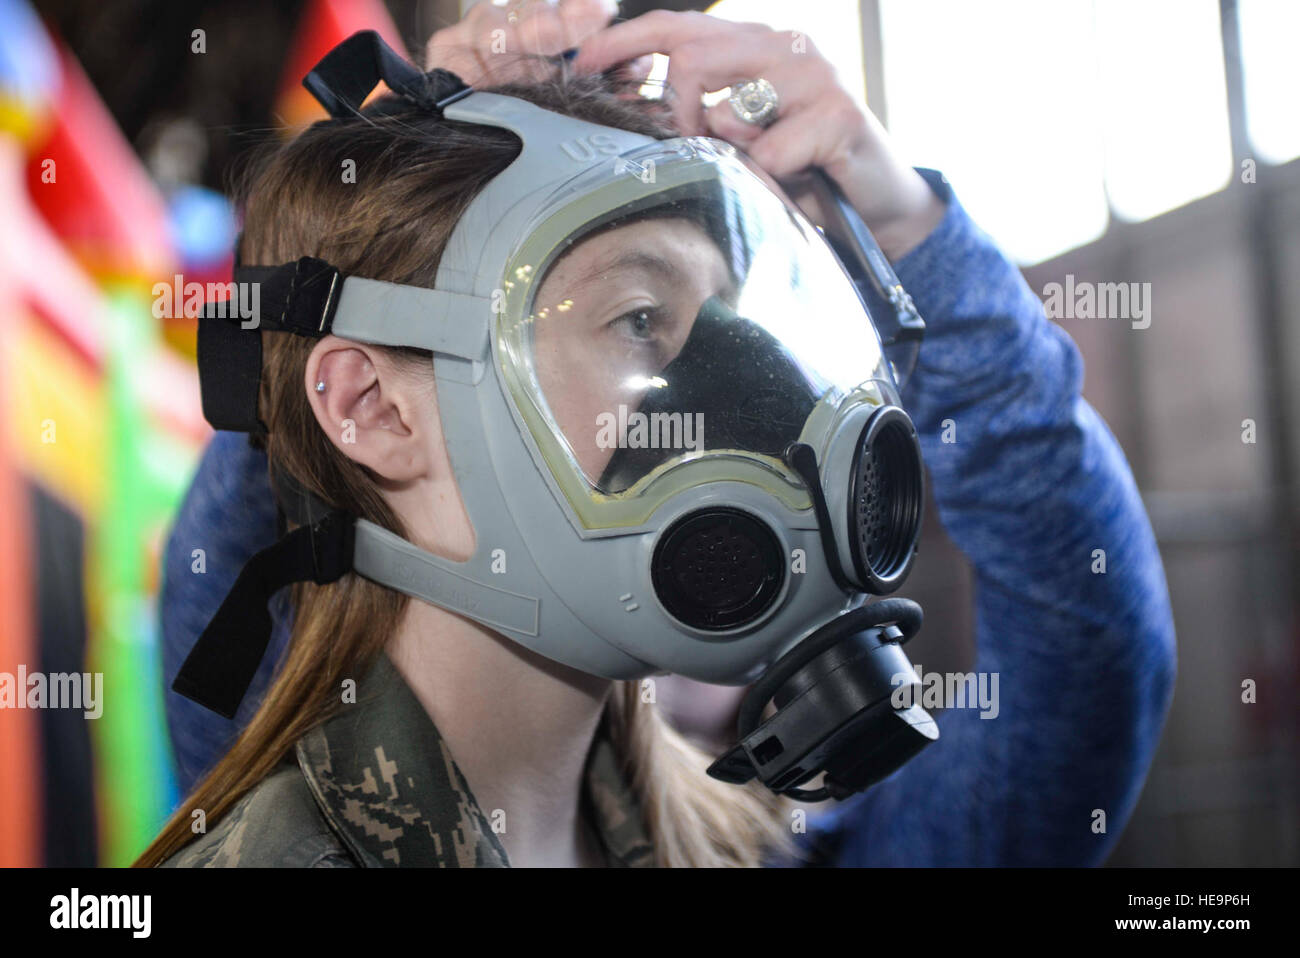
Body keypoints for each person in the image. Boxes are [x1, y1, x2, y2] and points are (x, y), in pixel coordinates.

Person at [138, 2, 1176, 868]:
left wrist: (903, 221)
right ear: (370, 409)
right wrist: (369, 254)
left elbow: (1090, 674)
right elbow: (222, 606)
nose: (741, 399)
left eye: (725, 322)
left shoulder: (754, 847)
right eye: (640, 319)